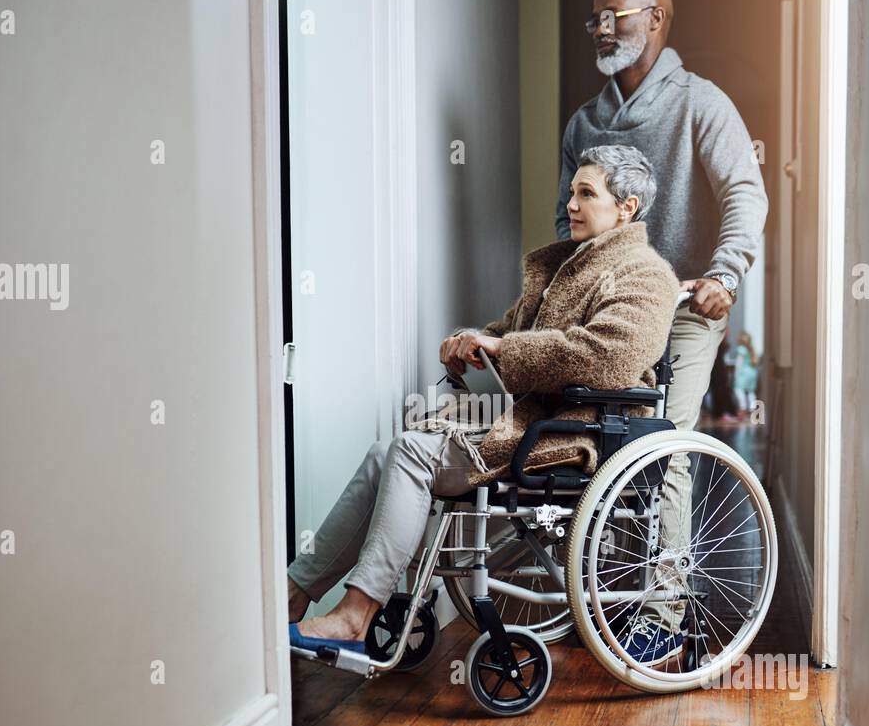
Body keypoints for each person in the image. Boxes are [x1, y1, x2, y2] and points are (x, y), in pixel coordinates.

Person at [286, 145, 679, 654]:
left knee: (409, 451)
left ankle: (357, 615)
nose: (572, 204)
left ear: (627, 207)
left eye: (587, 193)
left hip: (581, 431)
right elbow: (509, 332)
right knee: (383, 454)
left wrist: (504, 348)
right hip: (538, 420)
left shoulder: (645, 275)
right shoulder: (572, 265)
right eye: (572, 191)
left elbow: (606, 356)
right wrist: (472, 341)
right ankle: (294, 595)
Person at [556, 0, 768, 662]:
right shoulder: (583, 123)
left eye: (614, 16)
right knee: (602, 443)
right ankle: (608, 591)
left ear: (657, 20)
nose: (601, 29)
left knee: (662, 447)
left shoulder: (700, 104)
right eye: (594, 18)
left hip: (683, 305)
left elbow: (744, 192)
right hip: (609, 310)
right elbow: (570, 226)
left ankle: (666, 608)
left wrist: (724, 273)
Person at [733, 330, 761, 418]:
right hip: (752, 372)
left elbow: (738, 363)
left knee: (738, 389)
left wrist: (735, 375)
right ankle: (752, 410)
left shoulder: (741, 349)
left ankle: (743, 408)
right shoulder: (751, 349)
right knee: (750, 391)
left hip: (743, 373)